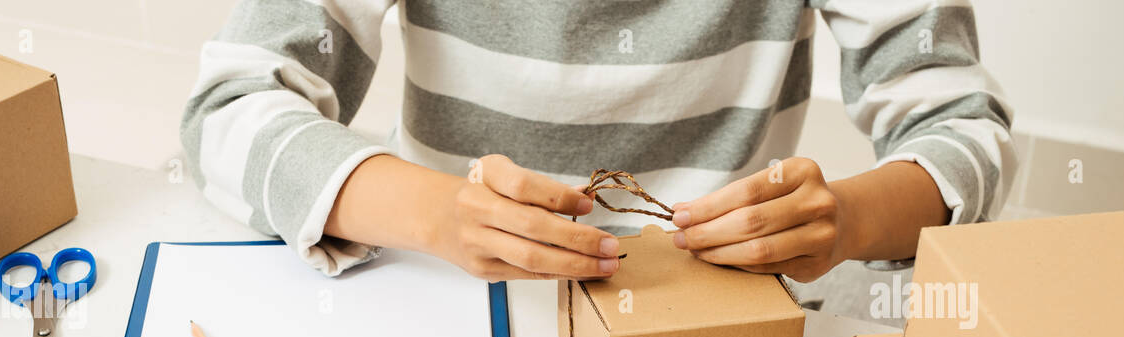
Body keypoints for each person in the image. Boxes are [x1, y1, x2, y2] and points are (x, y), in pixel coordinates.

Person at [182, 1, 1014, 285]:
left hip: (708, 322)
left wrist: (849, 220)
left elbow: (965, 130)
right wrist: (437, 213)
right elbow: (224, 110)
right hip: (444, 310)